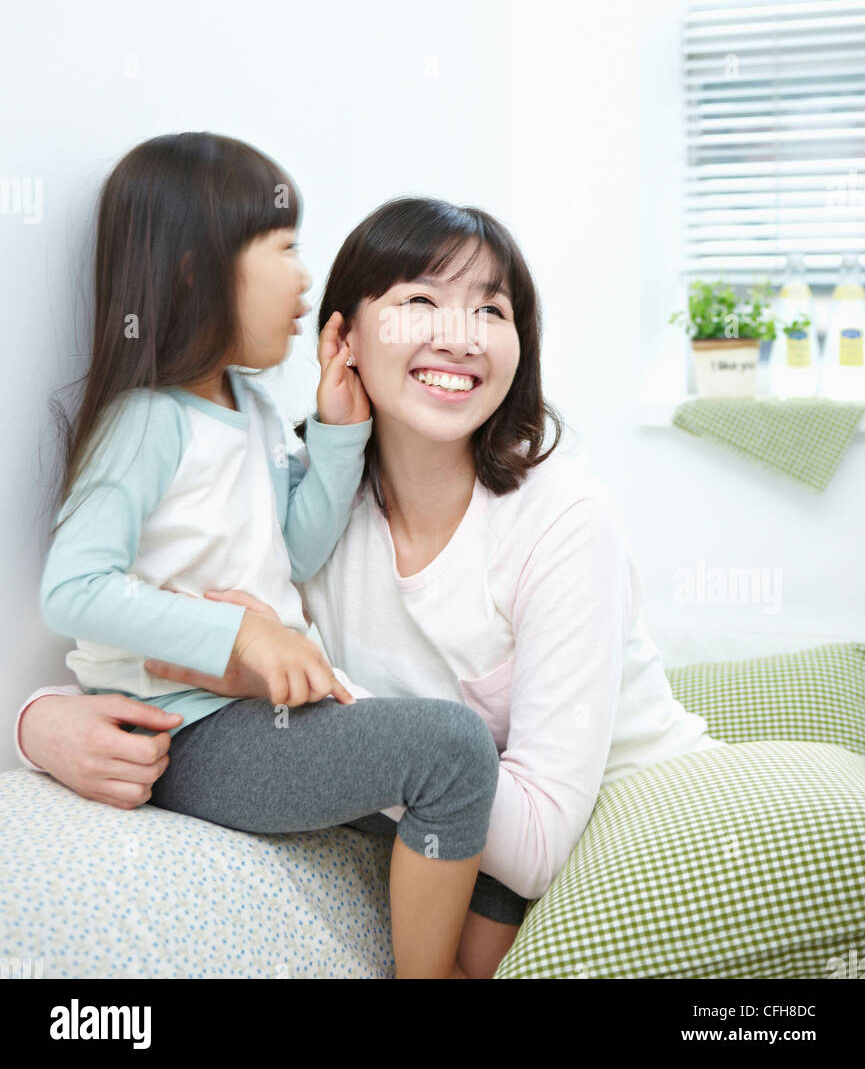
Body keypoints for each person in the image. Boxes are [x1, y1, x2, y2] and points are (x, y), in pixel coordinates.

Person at [17, 193, 727, 980]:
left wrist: (302, 678)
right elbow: (152, 607)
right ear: (343, 336)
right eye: (420, 301)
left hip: (617, 822)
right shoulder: (310, 507)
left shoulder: (565, 520)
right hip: (470, 829)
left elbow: (530, 850)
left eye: (491, 310)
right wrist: (40, 721)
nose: (459, 337)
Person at [19, 135, 503, 981]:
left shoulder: (248, 404)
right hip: (195, 731)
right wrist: (238, 639)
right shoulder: (147, 422)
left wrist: (340, 429)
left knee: (492, 861)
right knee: (454, 751)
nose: (306, 279)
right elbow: (73, 590)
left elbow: (299, 545)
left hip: (259, 713)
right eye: (284, 248)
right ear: (193, 273)